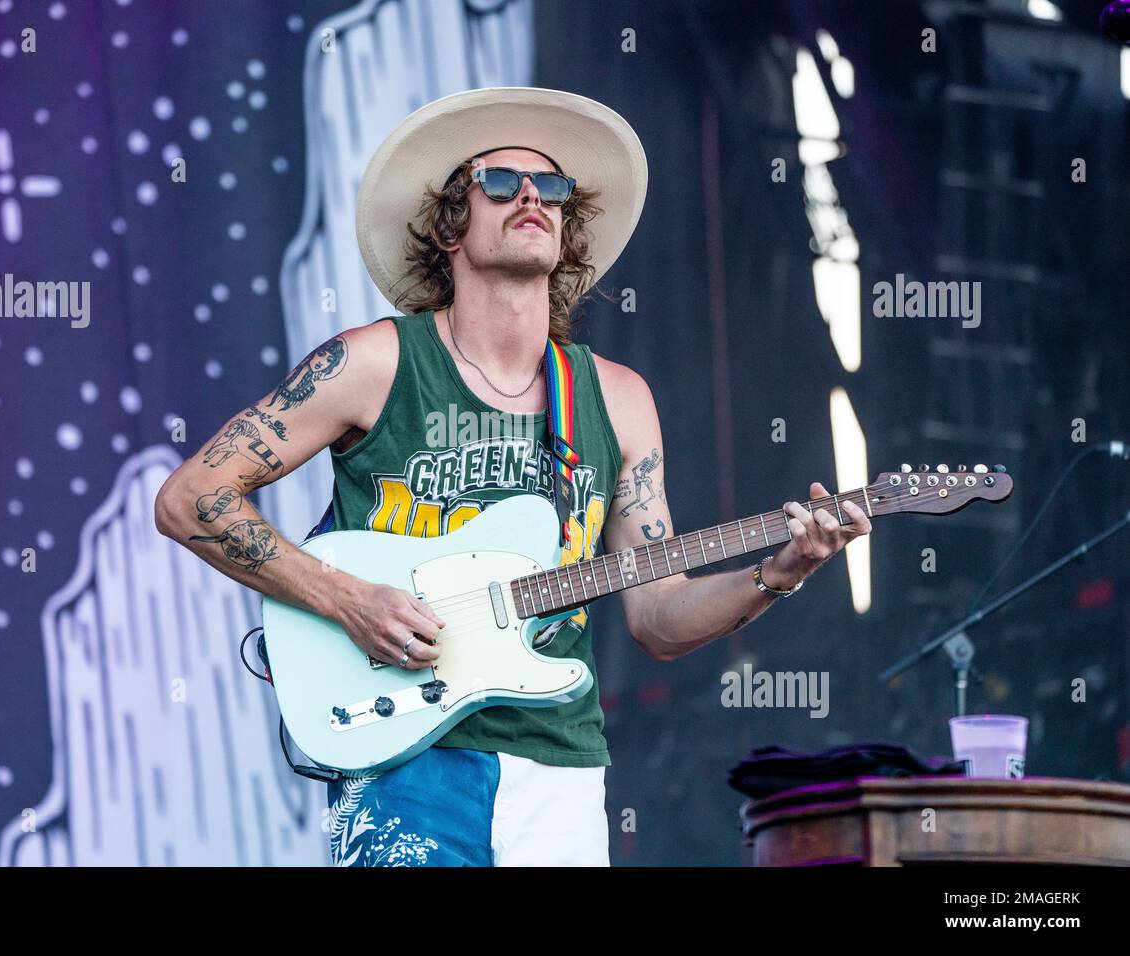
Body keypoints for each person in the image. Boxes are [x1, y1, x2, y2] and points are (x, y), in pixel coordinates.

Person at [154, 87, 871, 867]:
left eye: (553, 188)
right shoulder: (373, 363)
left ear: (566, 233)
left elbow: (658, 617)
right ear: (447, 226)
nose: (533, 195)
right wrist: (350, 601)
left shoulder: (618, 399)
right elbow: (192, 498)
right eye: (500, 182)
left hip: (559, 768)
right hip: (405, 761)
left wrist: (779, 572)